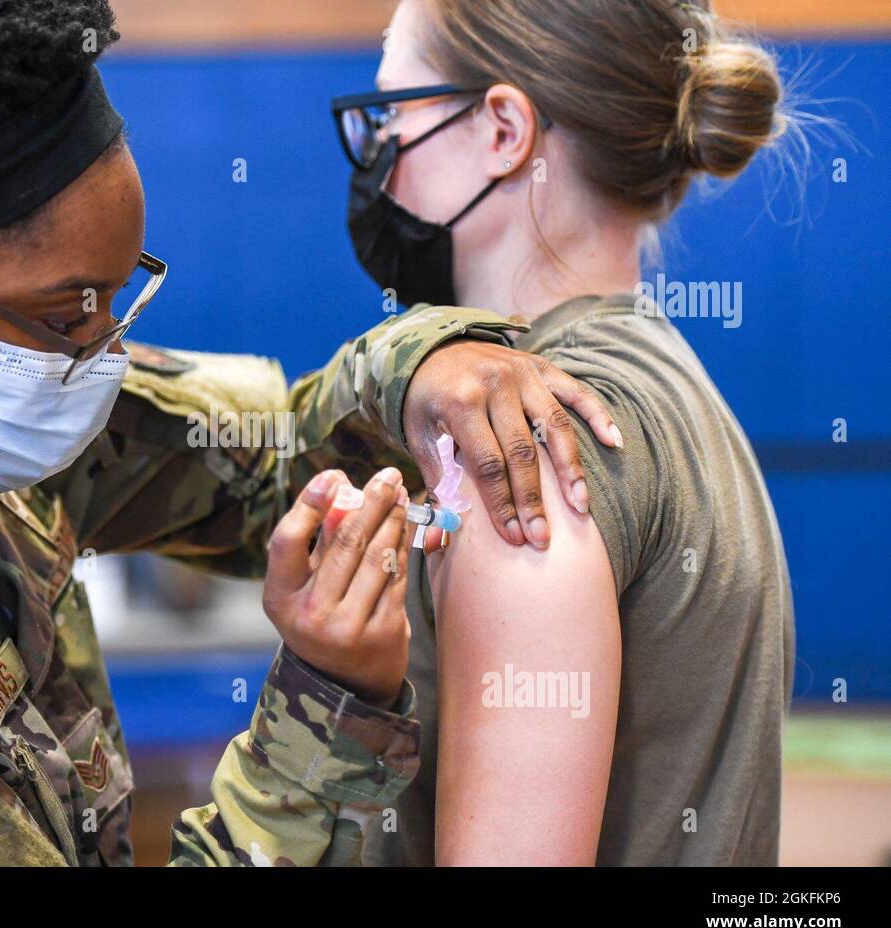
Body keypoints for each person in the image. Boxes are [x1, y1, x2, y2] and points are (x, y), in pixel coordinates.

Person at [0, 0, 619, 866]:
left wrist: (424, 369)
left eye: (114, 297)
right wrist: (327, 707)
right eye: (63, 313)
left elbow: (272, 448)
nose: (100, 354)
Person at [341, 0, 796, 866]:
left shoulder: (517, 444)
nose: (381, 157)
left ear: (504, 130)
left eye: (396, 114)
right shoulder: (676, 384)